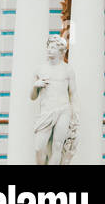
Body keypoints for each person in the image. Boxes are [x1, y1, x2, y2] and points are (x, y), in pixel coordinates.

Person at [31, 34, 78, 165]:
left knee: (58, 146)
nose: (49, 50)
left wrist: (75, 115)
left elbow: (73, 94)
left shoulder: (68, 70)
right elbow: (33, 97)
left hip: (64, 110)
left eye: (53, 47)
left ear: (61, 51)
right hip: (46, 112)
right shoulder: (40, 69)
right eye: (48, 47)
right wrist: (35, 86)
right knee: (38, 148)